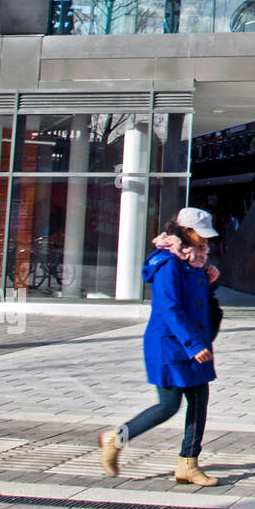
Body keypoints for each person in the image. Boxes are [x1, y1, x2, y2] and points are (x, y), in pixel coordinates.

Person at [99, 207, 221, 486]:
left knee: (199, 402)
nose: (206, 241)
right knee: (168, 406)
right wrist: (191, 344)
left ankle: (188, 464)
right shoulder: (168, 262)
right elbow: (169, 307)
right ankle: (115, 439)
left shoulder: (194, 260)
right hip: (170, 345)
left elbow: (195, 300)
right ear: (186, 232)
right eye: (201, 235)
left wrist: (210, 283)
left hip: (194, 343)